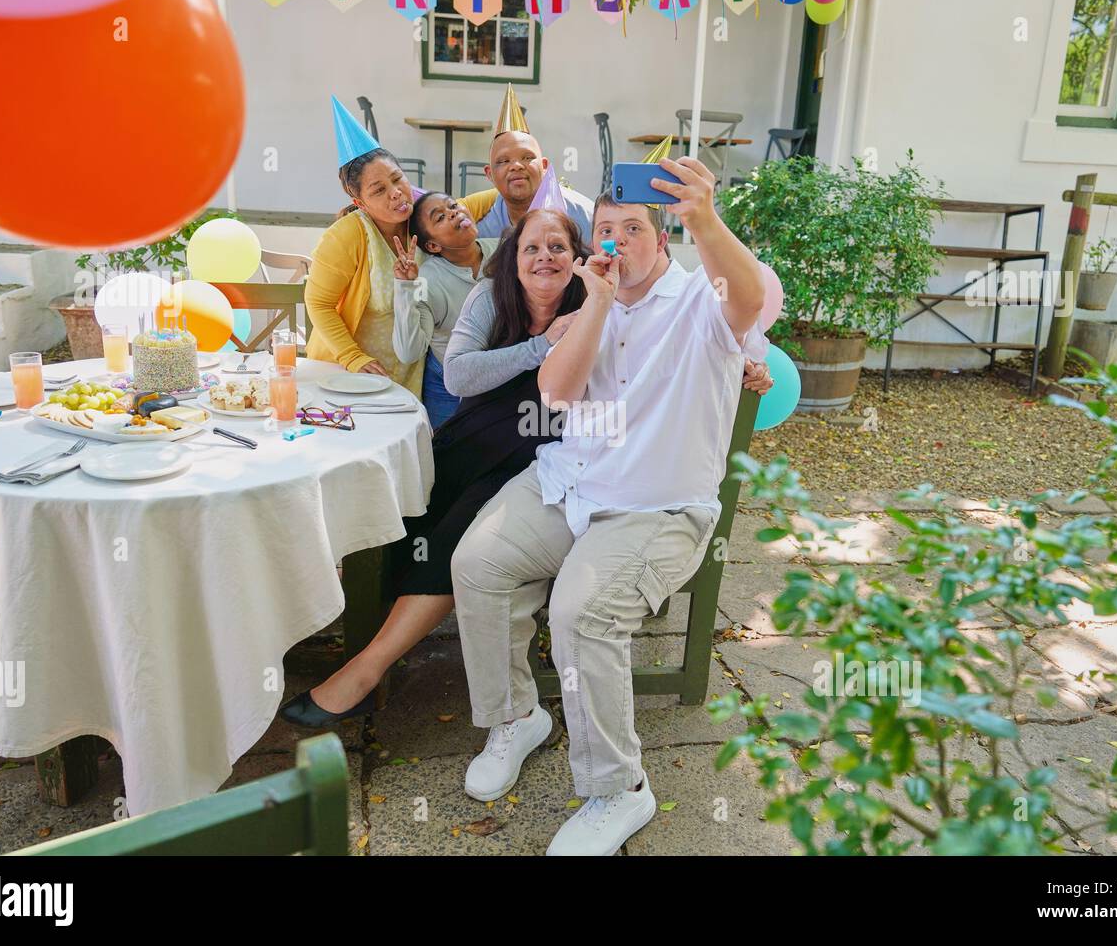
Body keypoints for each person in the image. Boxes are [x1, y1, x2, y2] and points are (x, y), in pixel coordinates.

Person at [450, 155, 770, 856]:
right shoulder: (585, 299)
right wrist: (594, 302)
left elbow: (746, 302)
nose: (618, 242)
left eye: (634, 228)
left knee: (580, 611)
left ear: (663, 239)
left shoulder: (699, 299)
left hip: (657, 509)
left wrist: (705, 217)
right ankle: (517, 716)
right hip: (571, 483)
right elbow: (558, 395)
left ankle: (618, 788)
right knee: (477, 561)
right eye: (606, 229)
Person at [279, 208, 588, 727]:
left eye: (557, 247)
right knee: (409, 512)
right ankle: (369, 629)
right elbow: (461, 376)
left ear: (577, 259)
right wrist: (542, 344)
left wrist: (742, 357)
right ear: (512, 259)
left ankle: (366, 669)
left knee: (455, 534)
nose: (544, 258)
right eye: (531, 248)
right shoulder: (492, 297)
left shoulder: (595, 305)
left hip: (542, 455)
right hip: (475, 437)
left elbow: (665, 337)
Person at [304, 97, 491, 394]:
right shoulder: (346, 236)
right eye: (379, 190)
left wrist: (536, 182)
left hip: (406, 376)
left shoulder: (421, 216)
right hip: (346, 375)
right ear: (360, 202)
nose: (396, 193)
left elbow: (473, 204)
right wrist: (352, 357)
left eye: (397, 179)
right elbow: (318, 303)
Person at [390, 193, 500, 429]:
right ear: (433, 245)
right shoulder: (426, 281)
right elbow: (409, 352)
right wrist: (405, 287)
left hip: (500, 374)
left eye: (453, 205)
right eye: (440, 217)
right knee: (446, 456)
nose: (453, 212)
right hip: (447, 383)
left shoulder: (506, 253)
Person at [462, 85, 594, 241]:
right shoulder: (489, 228)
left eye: (527, 158)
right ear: (489, 174)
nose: (516, 166)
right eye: (504, 161)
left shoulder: (583, 216)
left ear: (544, 166)